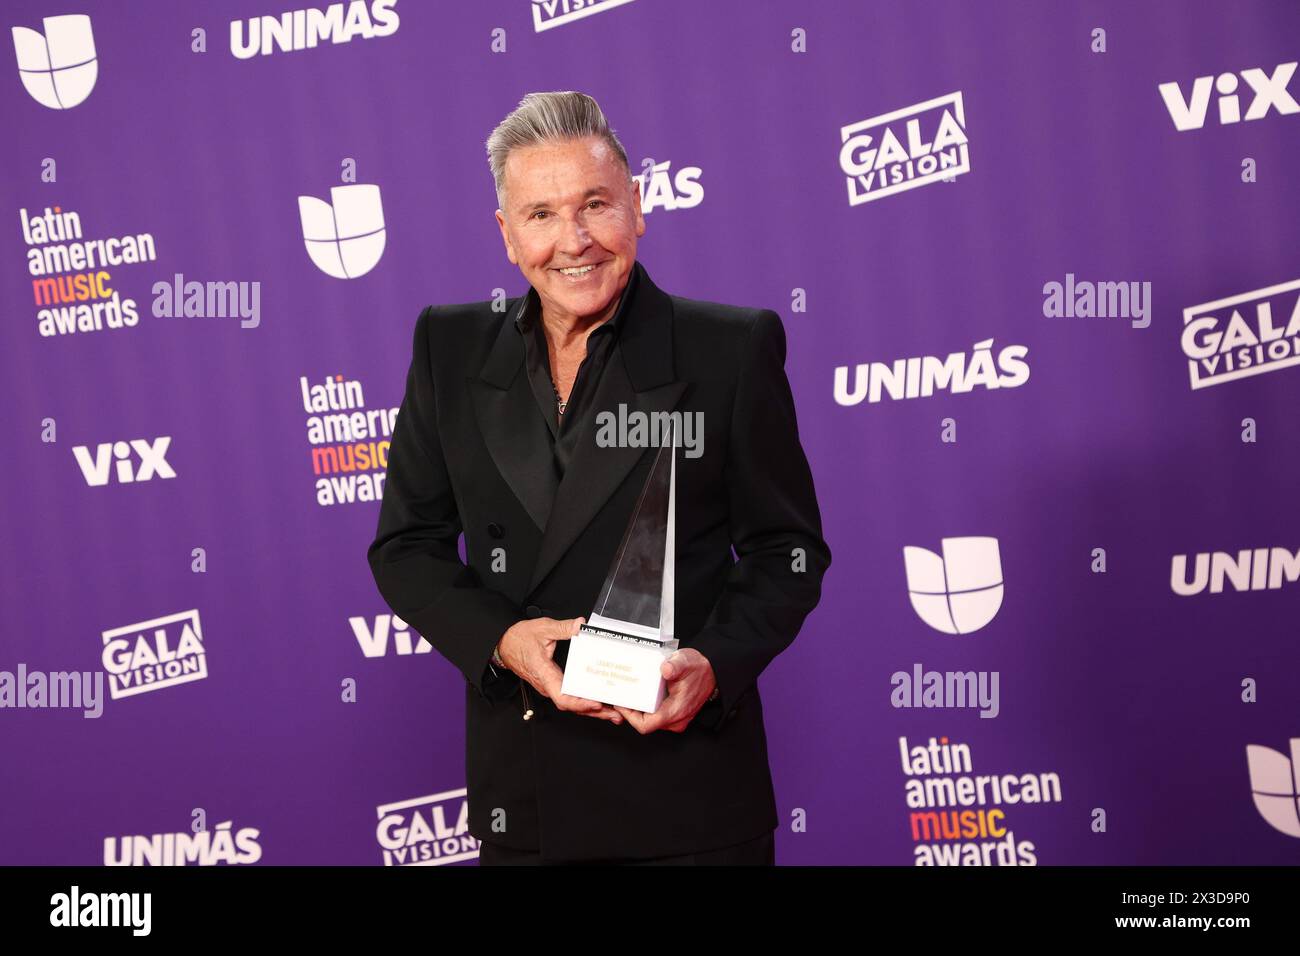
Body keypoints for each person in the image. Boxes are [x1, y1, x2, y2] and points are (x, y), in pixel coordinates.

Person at [367, 90, 830, 865]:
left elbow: (788, 552)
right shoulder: (447, 348)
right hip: (527, 799)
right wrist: (503, 641)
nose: (572, 240)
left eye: (595, 205)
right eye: (541, 215)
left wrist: (714, 667)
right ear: (507, 235)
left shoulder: (728, 350)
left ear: (637, 208)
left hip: (689, 798)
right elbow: (405, 547)